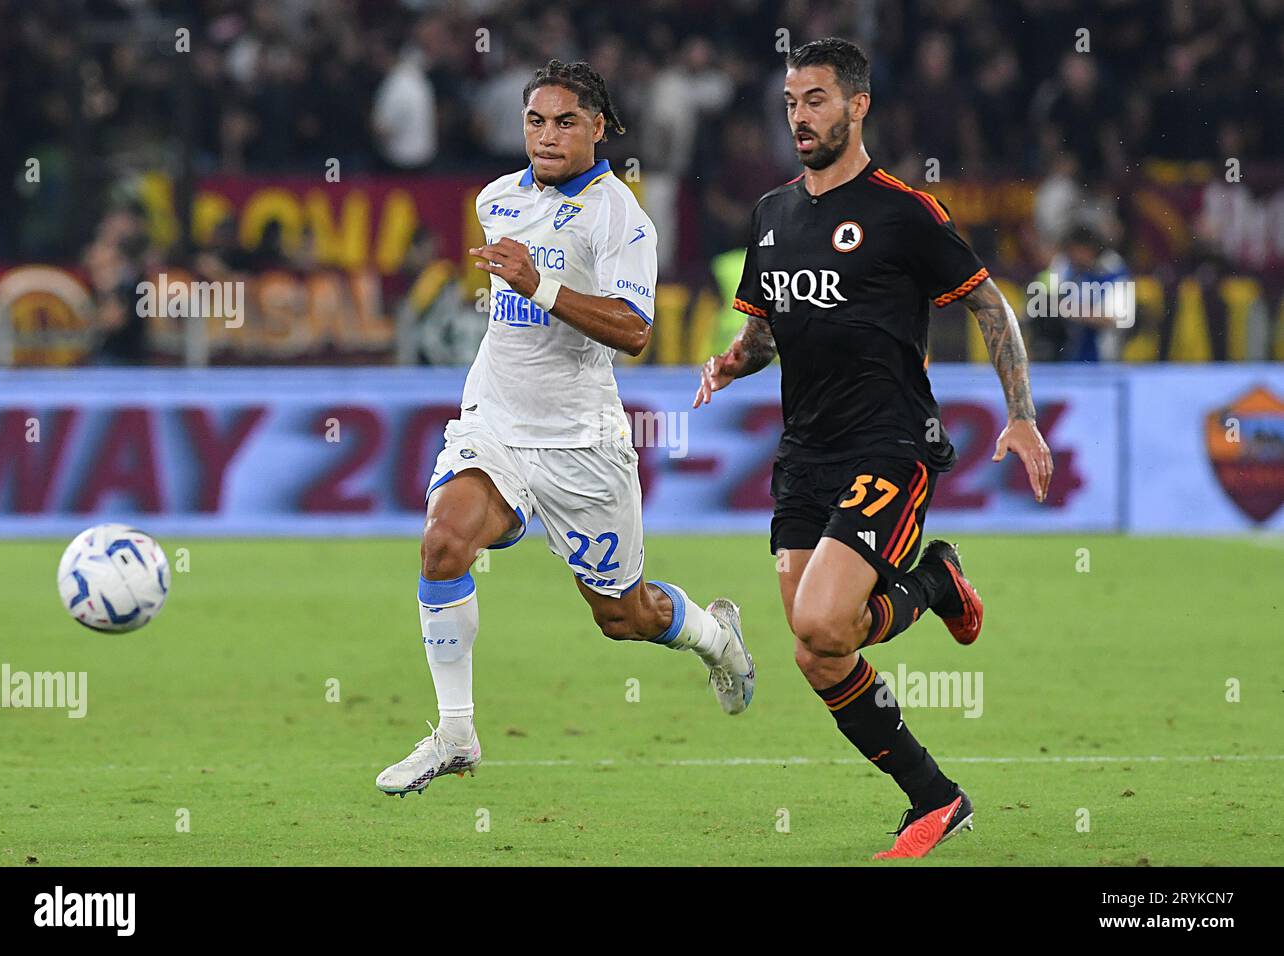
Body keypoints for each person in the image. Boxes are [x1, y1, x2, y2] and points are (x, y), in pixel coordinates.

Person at [694, 38, 1054, 859]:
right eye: (790, 102)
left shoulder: (903, 211)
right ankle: (936, 593)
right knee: (820, 645)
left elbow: (990, 308)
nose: (799, 117)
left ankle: (936, 794)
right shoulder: (773, 215)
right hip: (804, 453)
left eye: (815, 100)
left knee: (823, 623)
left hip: (891, 444)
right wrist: (727, 363)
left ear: (857, 106)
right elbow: (765, 334)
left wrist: (1021, 413)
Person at [376, 59, 755, 798]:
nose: (547, 136)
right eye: (535, 121)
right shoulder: (496, 199)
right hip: (495, 424)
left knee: (622, 616)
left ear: (599, 127)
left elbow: (635, 330)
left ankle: (716, 637)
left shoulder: (623, 218)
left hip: (581, 443)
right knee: (443, 542)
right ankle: (455, 734)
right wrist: (521, 290)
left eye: (565, 122)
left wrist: (538, 284)